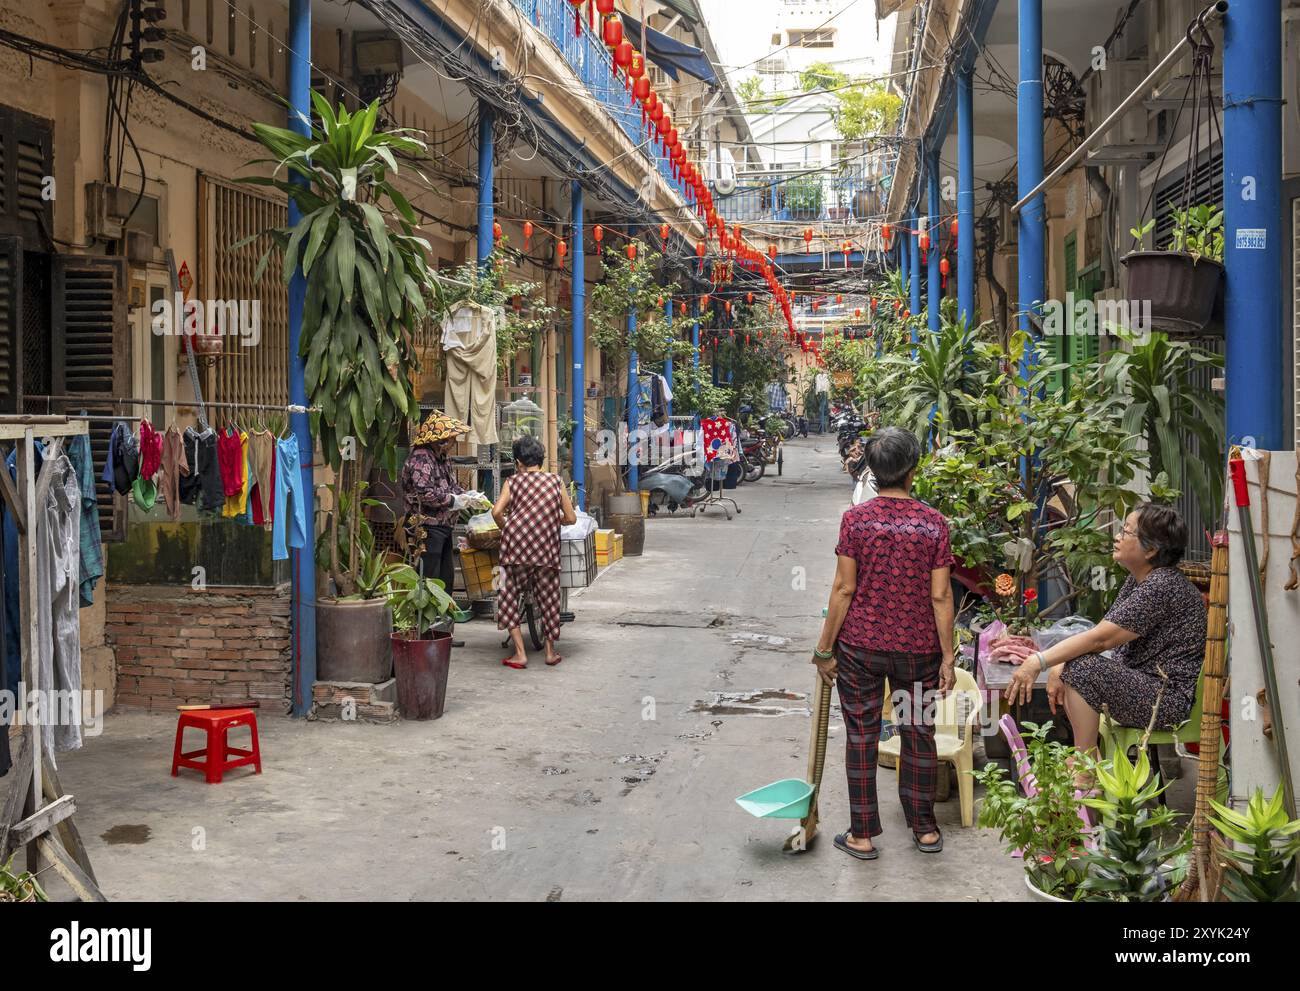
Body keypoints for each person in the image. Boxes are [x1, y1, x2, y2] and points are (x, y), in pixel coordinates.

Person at [812, 426, 956, 861]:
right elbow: (940, 595)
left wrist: (824, 649)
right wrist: (949, 657)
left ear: (873, 471)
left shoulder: (856, 520)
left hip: (860, 648)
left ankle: (862, 835)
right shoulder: (933, 523)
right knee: (919, 733)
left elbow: (843, 589)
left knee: (861, 736)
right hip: (919, 652)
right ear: (912, 470)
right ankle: (925, 829)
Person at [1005, 503, 1206, 781]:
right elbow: (1102, 634)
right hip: (1145, 687)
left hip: (1166, 700)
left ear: (1150, 550)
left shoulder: (1162, 586)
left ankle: (1085, 771)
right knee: (1075, 666)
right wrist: (1059, 663)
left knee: (1083, 669)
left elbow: (1100, 640)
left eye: (1126, 532)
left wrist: (1037, 661)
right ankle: (1087, 760)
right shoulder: (1139, 582)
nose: (1117, 537)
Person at [492, 435, 577, 669]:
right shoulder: (555, 482)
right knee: (550, 600)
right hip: (545, 551)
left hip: (513, 549)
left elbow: (497, 512)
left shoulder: (513, 482)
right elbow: (571, 517)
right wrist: (550, 518)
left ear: (519, 462)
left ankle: (520, 654)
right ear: (540, 459)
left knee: (506, 595)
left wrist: (507, 528)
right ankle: (550, 652)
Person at [401, 410, 473, 643]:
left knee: (445, 579)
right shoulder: (421, 458)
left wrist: (468, 496)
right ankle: (424, 632)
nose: (453, 443)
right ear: (441, 438)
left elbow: (452, 486)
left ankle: (441, 633)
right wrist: (453, 500)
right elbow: (426, 493)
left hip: (444, 526)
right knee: (428, 579)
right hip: (426, 527)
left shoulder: (442, 458)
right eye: (451, 438)